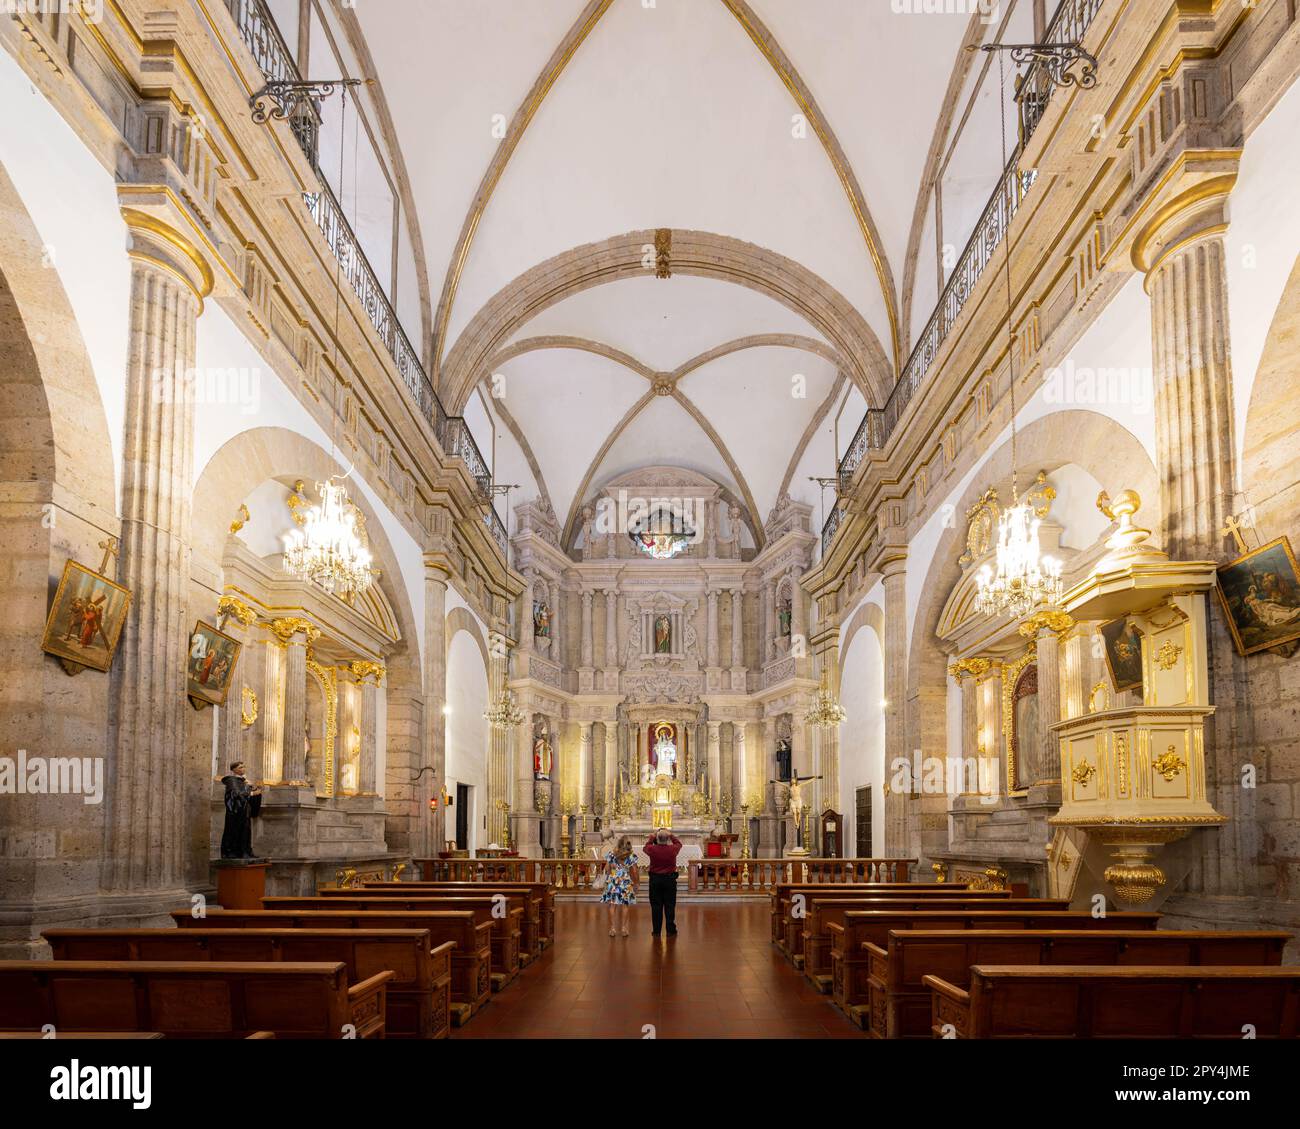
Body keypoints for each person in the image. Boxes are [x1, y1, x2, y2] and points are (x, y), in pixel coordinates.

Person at [643, 828, 682, 936]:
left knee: (656, 906)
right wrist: (671, 835)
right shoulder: (673, 849)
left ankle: (656, 931)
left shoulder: (652, 849)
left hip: (655, 880)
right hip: (669, 880)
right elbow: (679, 843)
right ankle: (670, 930)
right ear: (667, 839)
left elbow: (645, 847)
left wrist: (652, 837)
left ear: (657, 839)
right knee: (670, 905)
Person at [220, 761, 263, 859]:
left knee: (245, 831)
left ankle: (245, 851)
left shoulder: (245, 781)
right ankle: (232, 852)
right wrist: (252, 793)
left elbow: (248, 795)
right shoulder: (232, 781)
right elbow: (235, 794)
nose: (243, 769)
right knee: (234, 831)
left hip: (245, 811)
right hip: (235, 811)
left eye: (243, 767)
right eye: (240, 767)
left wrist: (256, 790)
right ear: (234, 770)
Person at [600, 836, 638, 937]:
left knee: (612, 905)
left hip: (613, 881)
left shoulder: (612, 854)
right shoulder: (631, 856)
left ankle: (612, 928)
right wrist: (636, 882)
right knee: (625, 905)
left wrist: (612, 872)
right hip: (625, 881)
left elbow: (607, 869)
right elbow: (634, 871)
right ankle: (624, 928)